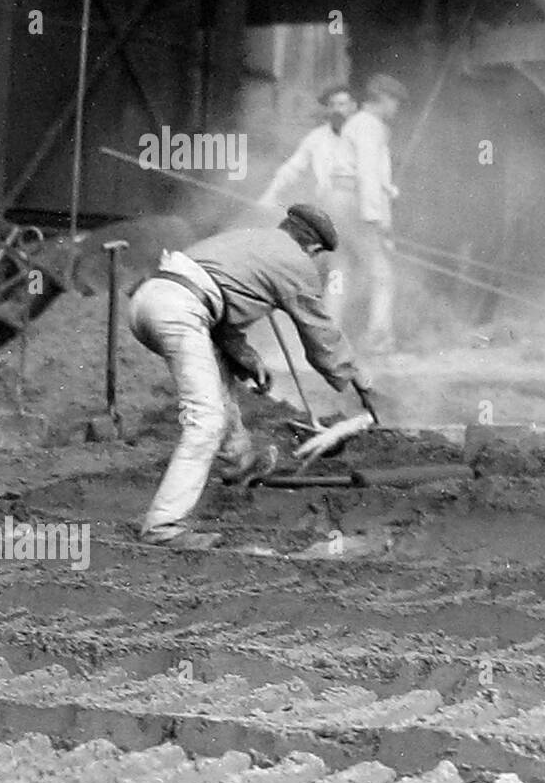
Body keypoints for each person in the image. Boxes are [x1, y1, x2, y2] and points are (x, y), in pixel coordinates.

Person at [128, 204, 376, 546]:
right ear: (315, 248)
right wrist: (360, 381)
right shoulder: (297, 263)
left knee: (219, 372)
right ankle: (163, 528)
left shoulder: (249, 240)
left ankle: (241, 463)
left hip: (150, 300)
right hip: (180, 311)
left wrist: (246, 356)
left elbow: (215, 301)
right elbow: (320, 332)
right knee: (206, 419)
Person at [259, 85, 360, 326]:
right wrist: (269, 196)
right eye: (333, 105)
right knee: (316, 267)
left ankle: (331, 324)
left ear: (354, 107)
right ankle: (304, 326)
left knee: (340, 269)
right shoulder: (317, 138)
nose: (338, 110)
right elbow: (292, 169)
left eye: (343, 104)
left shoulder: (362, 136)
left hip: (355, 213)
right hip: (327, 211)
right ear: (327, 110)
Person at [339, 72, 407, 354]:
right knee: (382, 276)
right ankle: (379, 341)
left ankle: (328, 340)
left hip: (341, 202)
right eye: (395, 101)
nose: (397, 108)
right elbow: (367, 174)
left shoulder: (357, 123)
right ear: (382, 98)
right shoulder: (370, 126)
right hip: (357, 205)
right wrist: (376, 220)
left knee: (342, 272)